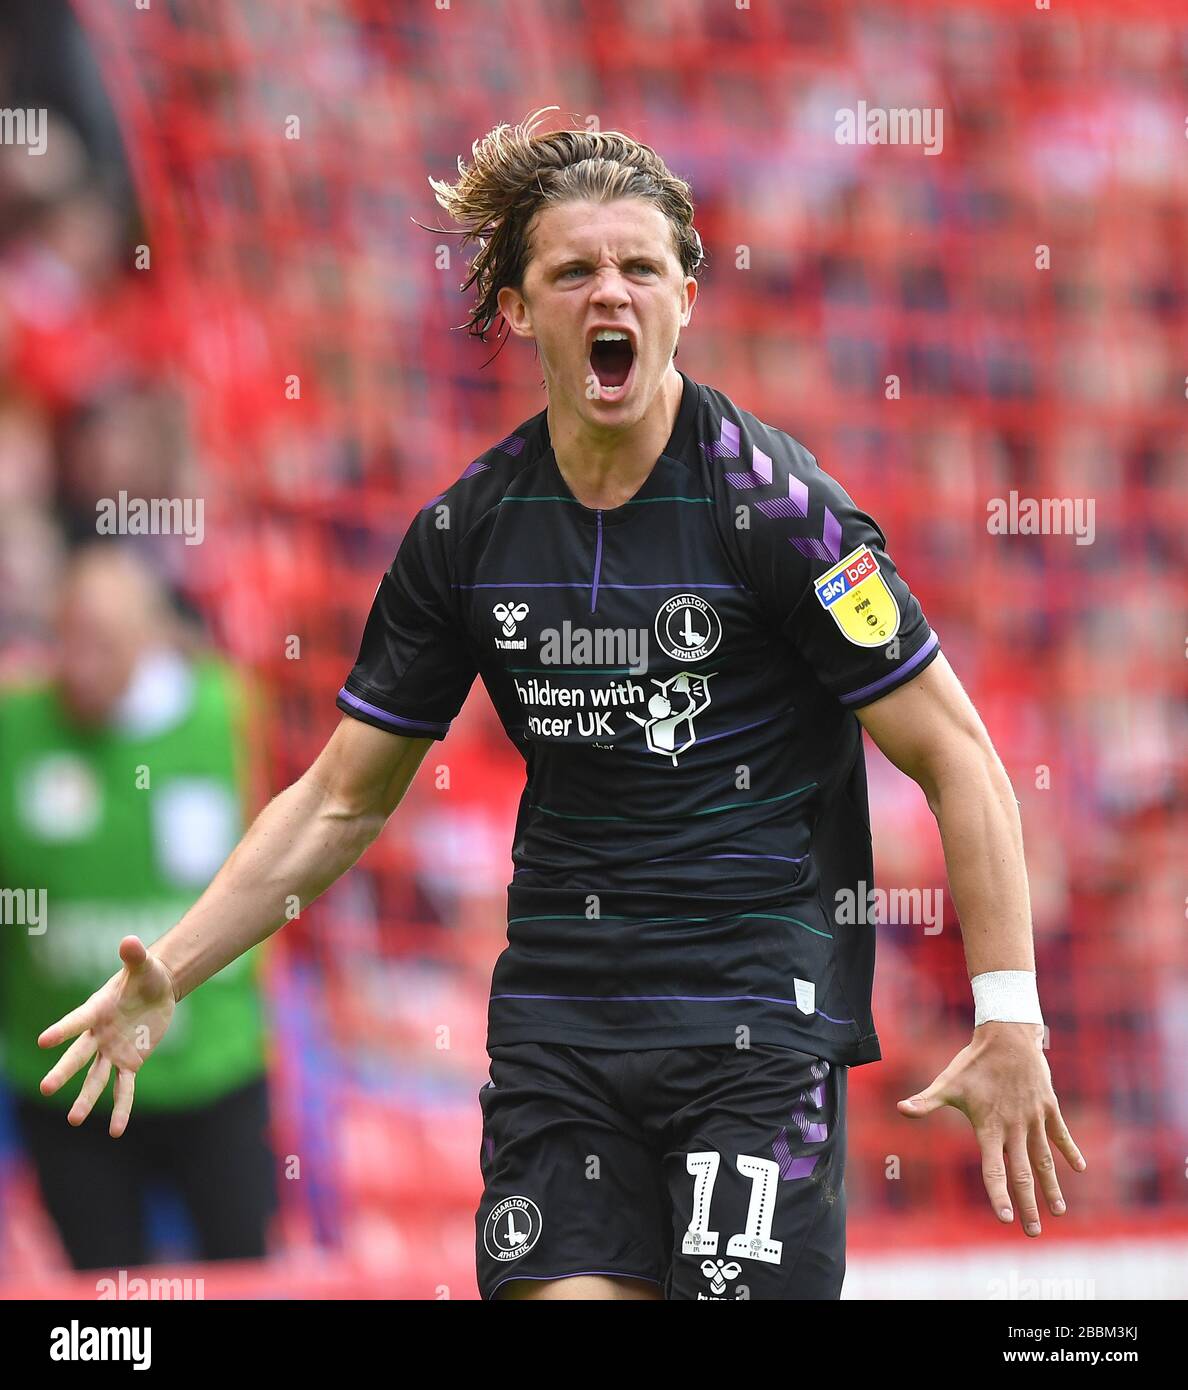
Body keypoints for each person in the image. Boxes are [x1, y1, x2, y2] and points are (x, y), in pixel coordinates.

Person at [36, 110, 1084, 1300]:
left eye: (641, 266)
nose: (612, 293)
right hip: (561, 1028)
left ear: (688, 296)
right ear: (521, 308)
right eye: (574, 269)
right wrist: (172, 966)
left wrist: (1011, 1016)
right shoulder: (468, 533)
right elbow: (339, 797)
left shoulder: (783, 513)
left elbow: (959, 757)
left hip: (752, 1026)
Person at [3, 544, 276, 1268]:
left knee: (242, 1274)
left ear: (154, 639)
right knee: (105, 1302)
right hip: (68, 1085)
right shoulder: (13, 727)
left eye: (106, 642)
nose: (83, 661)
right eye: (70, 639)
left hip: (213, 1071)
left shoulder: (226, 711)